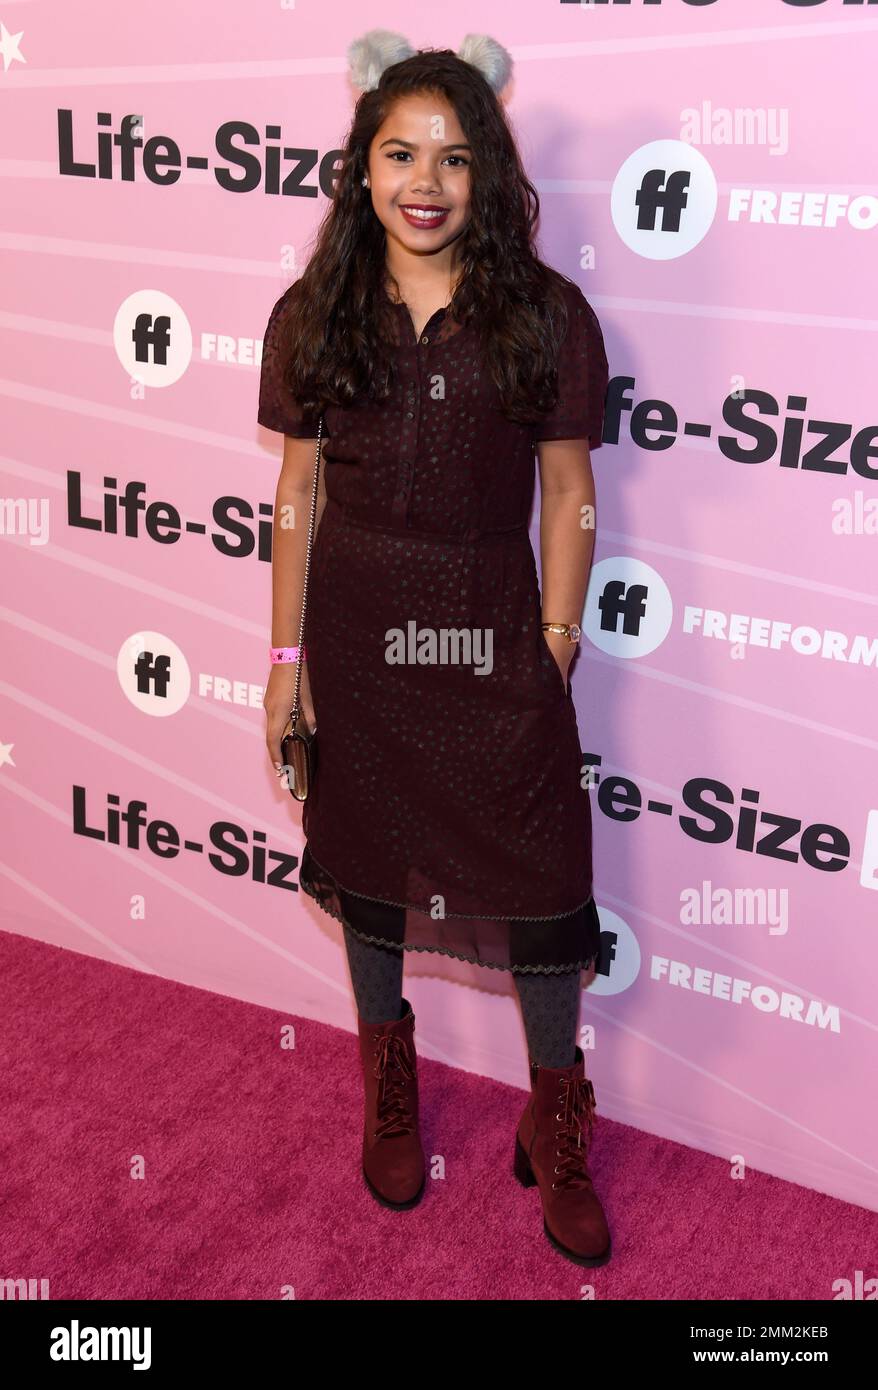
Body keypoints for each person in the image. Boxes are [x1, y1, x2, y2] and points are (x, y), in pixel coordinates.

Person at [258, 29, 611, 1267]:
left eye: (455, 157)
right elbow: (294, 496)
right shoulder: (313, 315)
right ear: (360, 168)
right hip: (353, 644)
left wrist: (554, 646)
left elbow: (566, 494)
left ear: (488, 174)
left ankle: (555, 1113)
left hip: (491, 645)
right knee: (364, 863)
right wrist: (284, 662)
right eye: (401, 152)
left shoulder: (544, 317)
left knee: (540, 888)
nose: (426, 180)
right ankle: (388, 1078)